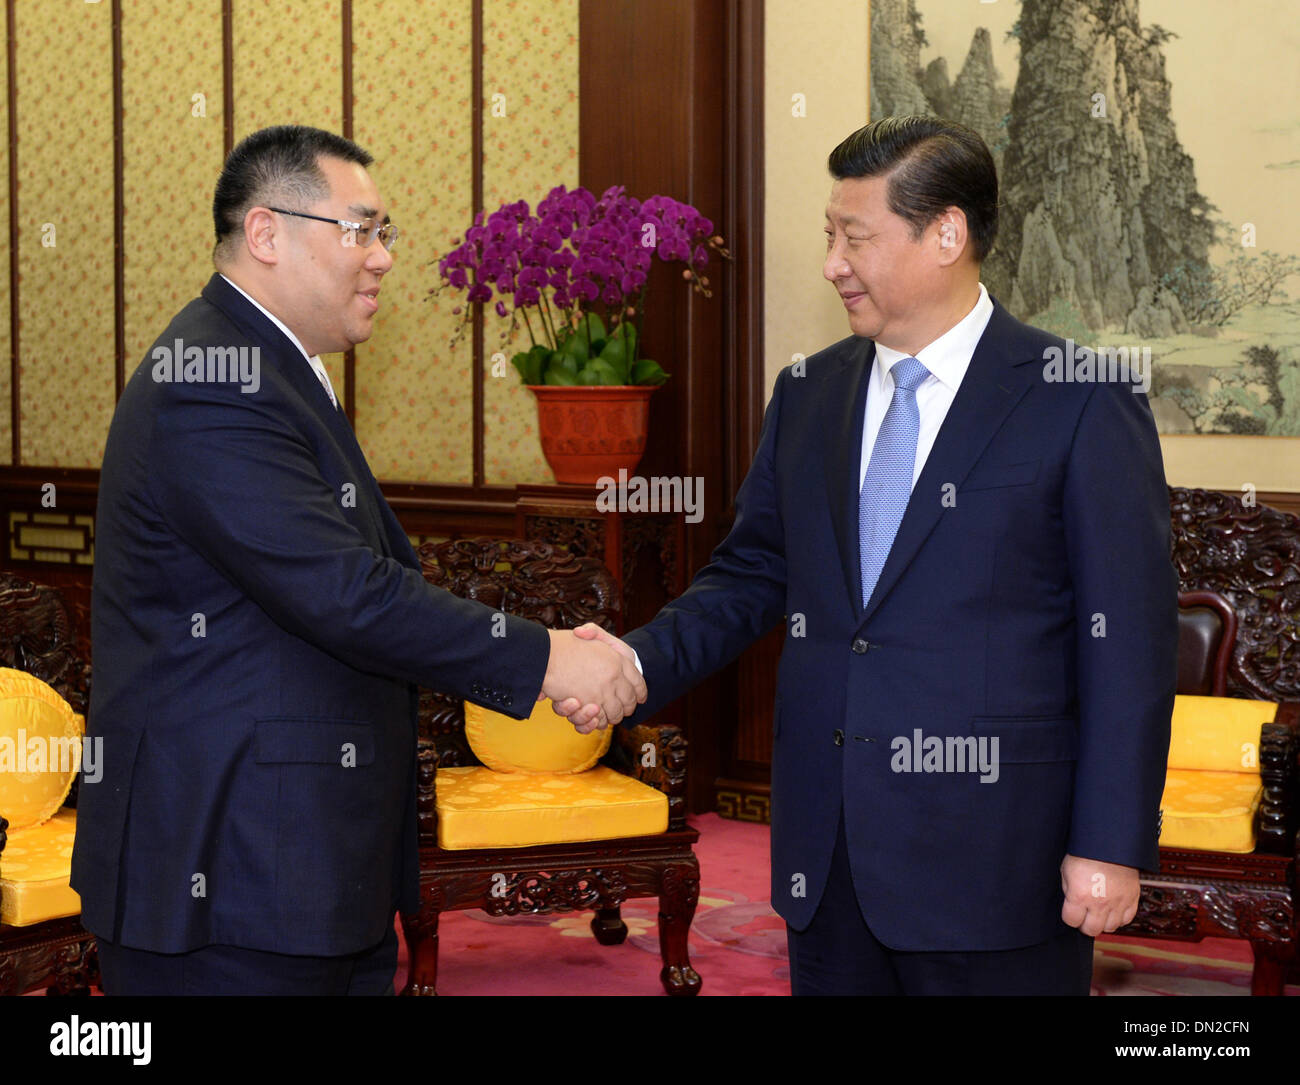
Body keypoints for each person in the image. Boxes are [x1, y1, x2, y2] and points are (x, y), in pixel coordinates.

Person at [577, 116, 1177, 995]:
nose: (832, 263)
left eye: (854, 237)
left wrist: (1110, 844)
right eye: (829, 234)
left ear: (947, 234)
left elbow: (1128, 643)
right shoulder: (809, 393)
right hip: (830, 859)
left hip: (999, 862)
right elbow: (751, 575)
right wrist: (632, 658)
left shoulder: (1079, 400)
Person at [71, 125, 643, 995]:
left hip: (296, 871)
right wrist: (554, 657)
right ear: (266, 234)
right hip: (226, 881)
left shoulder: (277, 369)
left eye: (386, 234)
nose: (380, 259)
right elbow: (349, 596)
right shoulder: (211, 375)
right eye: (361, 229)